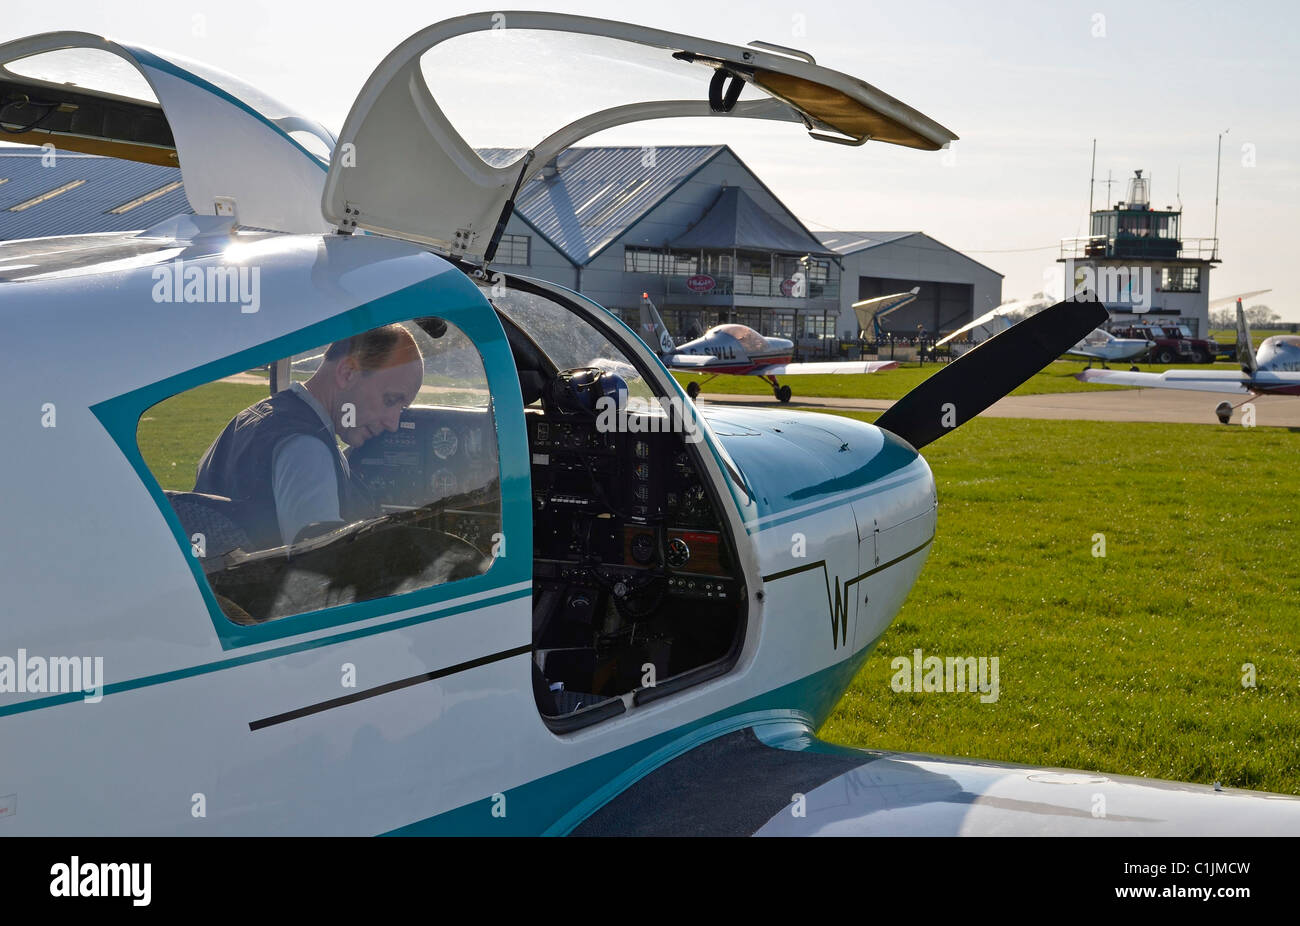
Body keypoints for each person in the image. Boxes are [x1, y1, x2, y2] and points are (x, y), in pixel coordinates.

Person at [194, 324, 424, 549]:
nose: (393, 424)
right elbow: (322, 569)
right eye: (391, 400)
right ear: (347, 373)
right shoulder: (307, 451)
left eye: (401, 409)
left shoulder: (248, 419)